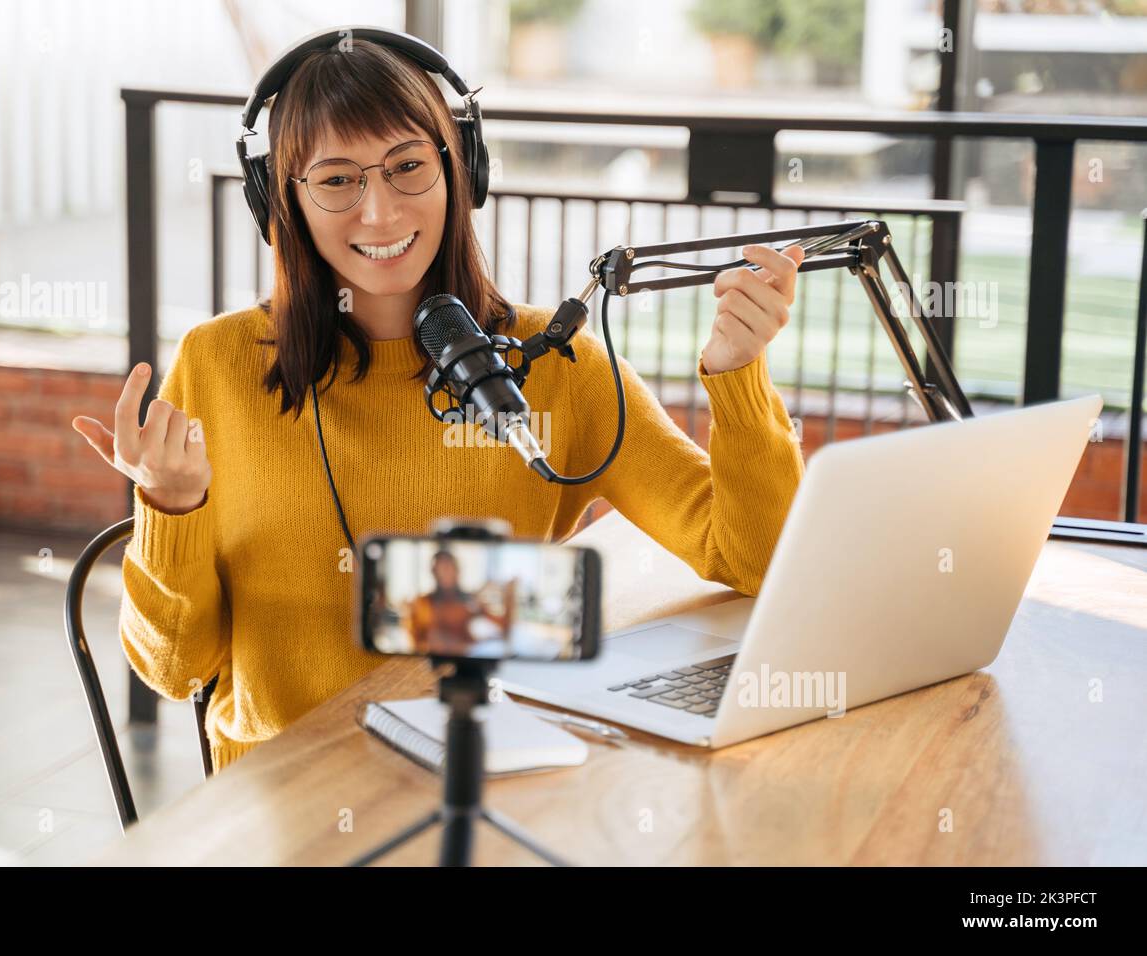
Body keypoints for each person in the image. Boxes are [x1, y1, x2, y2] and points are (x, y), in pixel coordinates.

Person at [69, 36, 806, 773]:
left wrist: (737, 374)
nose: (381, 212)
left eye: (408, 166)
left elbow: (754, 559)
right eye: (336, 180)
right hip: (282, 796)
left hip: (489, 768)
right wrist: (170, 508)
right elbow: (174, 670)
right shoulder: (218, 364)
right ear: (280, 199)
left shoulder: (557, 364)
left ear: (462, 170)